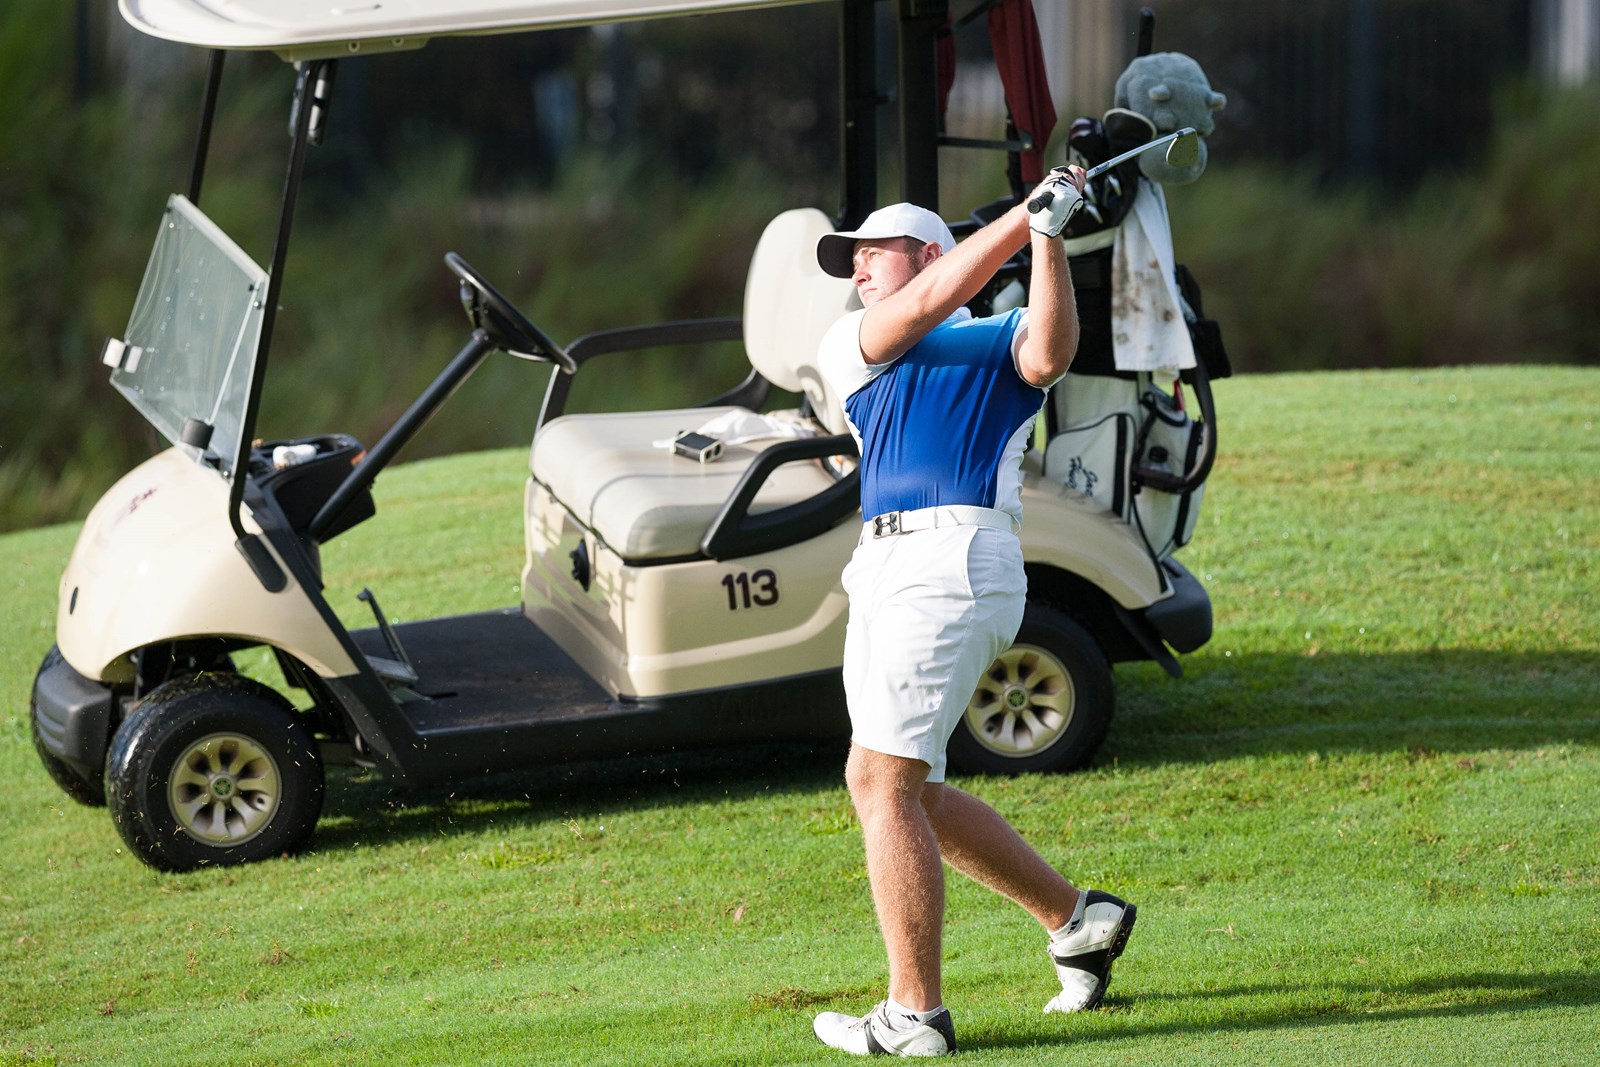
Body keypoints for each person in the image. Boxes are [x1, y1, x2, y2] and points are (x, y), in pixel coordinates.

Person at [809, 168, 1138, 1057]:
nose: (857, 271)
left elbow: (1049, 355)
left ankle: (914, 1015)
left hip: (954, 556)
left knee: (883, 783)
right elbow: (920, 308)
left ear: (927, 252)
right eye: (852, 259)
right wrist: (1023, 218)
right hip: (883, 566)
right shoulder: (855, 341)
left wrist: (1047, 237)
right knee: (903, 785)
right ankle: (1078, 920)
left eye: (872, 253)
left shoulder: (997, 333)